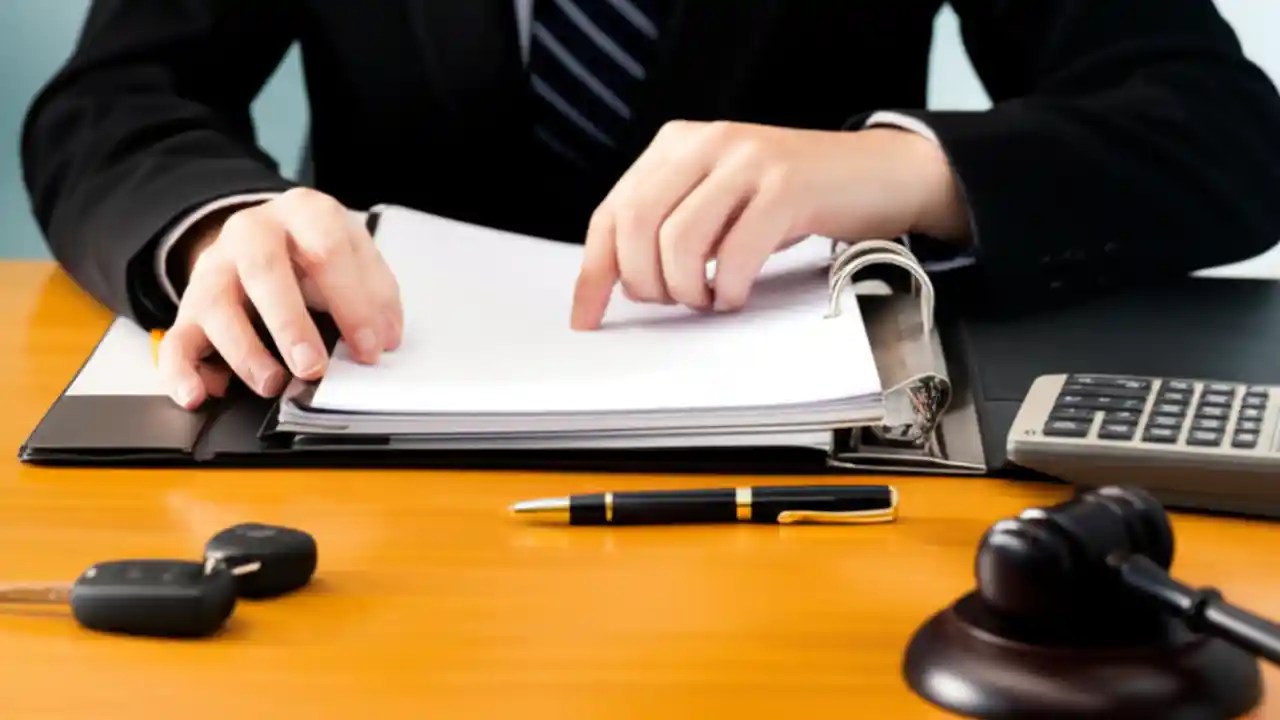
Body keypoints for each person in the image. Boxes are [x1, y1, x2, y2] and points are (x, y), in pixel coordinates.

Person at [22, 0, 1280, 410]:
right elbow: (113, 97)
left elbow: (1219, 130)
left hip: (823, 449)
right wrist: (214, 218)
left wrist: (908, 168)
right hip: (359, 409)